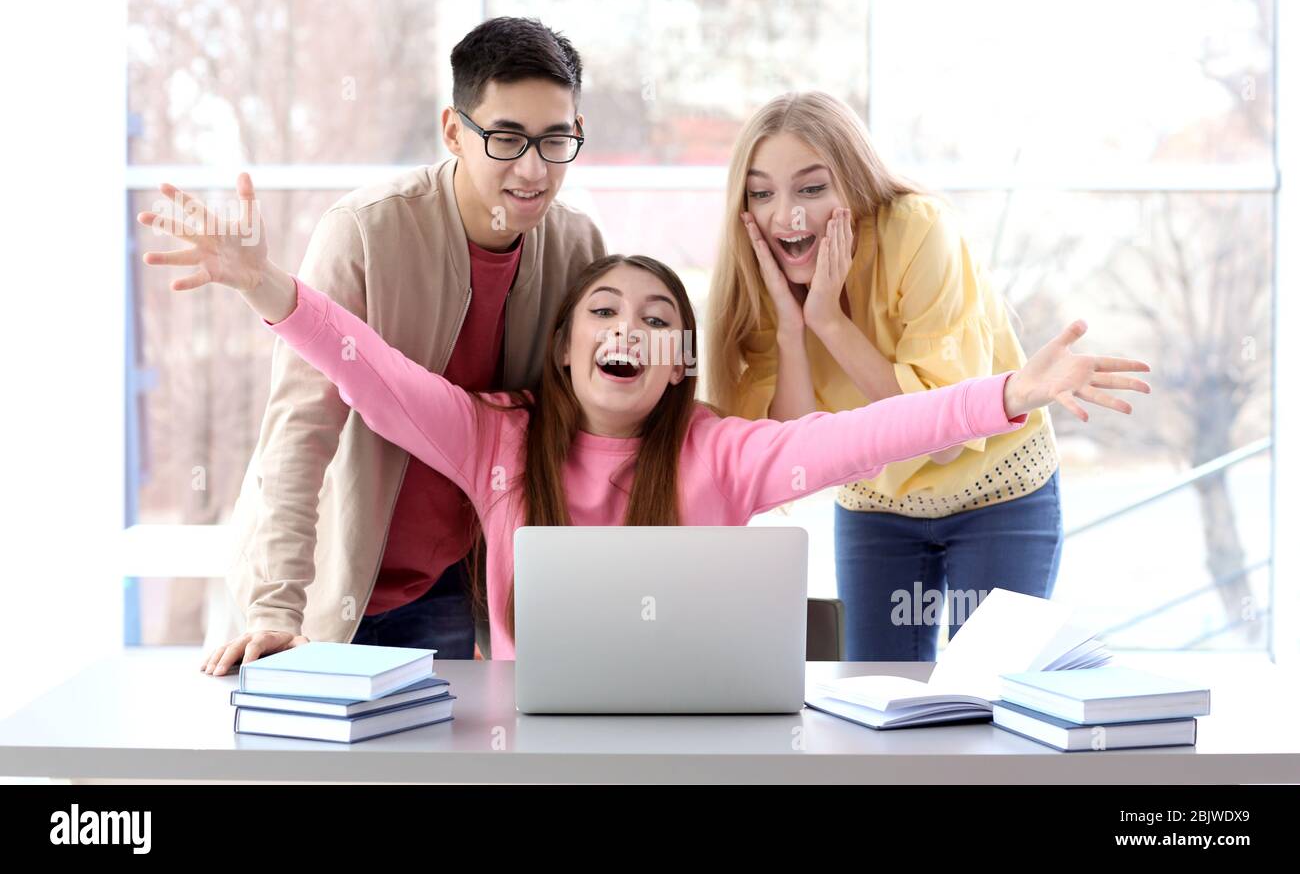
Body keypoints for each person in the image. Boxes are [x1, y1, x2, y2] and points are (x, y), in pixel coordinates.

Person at [140, 174, 1150, 663]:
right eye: (606, 313)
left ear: (678, 367)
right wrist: (270, 287)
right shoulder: (495, 436)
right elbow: (374, 373)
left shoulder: (722, 451)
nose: (631, 330)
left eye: (660, 320)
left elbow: (873, 433)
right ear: (569, 348)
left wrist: (1015, 392)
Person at [177, 17, 605, 674]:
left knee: (444, 772)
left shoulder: (578, 250)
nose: (532, 168)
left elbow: (586, 434)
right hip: (334, 585)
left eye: (555, 140)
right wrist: (274, 609)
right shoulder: (366, 233)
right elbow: (300, 428)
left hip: (452, 584)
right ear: (454, 130)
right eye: (506, 138)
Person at [706, 91, 1149, 661]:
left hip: (999, 494)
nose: (786, 214)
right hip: (878, 507)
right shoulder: (761, 276)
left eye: (812, 188)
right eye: (762, 193)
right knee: (877, 698)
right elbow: (794, 460)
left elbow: (942, 442)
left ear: (853, 185)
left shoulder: (917, 229)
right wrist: (793, 329)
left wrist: (829, 320)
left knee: (986, 700)